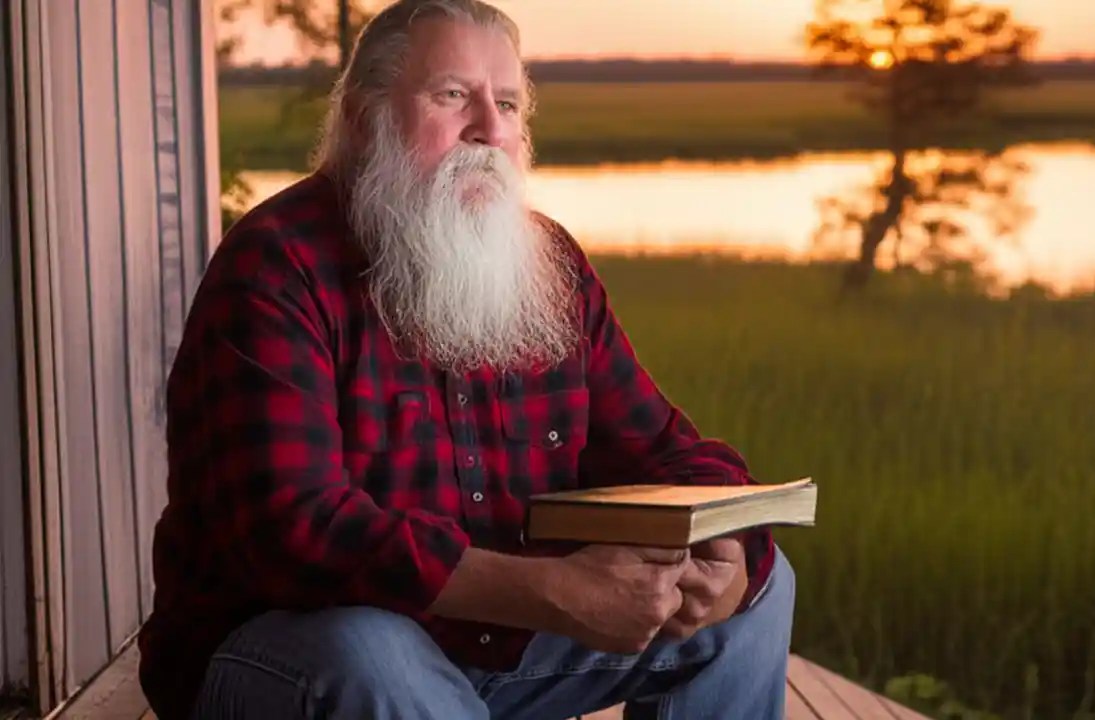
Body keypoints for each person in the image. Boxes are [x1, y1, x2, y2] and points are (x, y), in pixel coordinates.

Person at [138, 1, 794, 718]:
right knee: (369, 649)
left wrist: (729, 558)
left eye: (508, 103)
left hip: (487, 650)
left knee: (762, 590)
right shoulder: (278, 263)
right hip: (278, 661)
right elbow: (290, 529)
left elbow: (664, 450)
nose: (489, 128)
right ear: (364, 120)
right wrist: (552, 592)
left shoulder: (551, 266)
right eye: (452, 96)